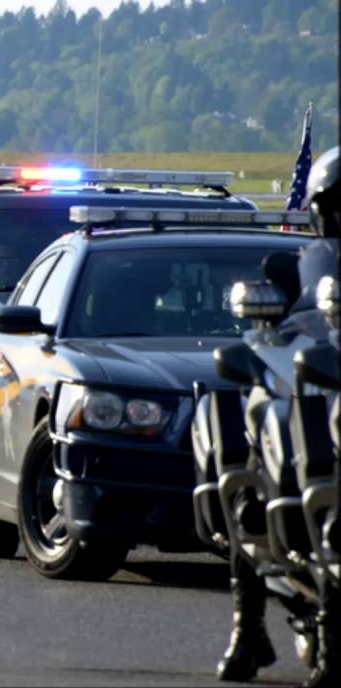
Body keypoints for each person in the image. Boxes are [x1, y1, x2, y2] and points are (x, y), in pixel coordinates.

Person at [215, 147, 341, 685]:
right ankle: (249, 628)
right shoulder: (306, 270)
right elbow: (277, 327)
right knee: (248, 464)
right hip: (314, 374)